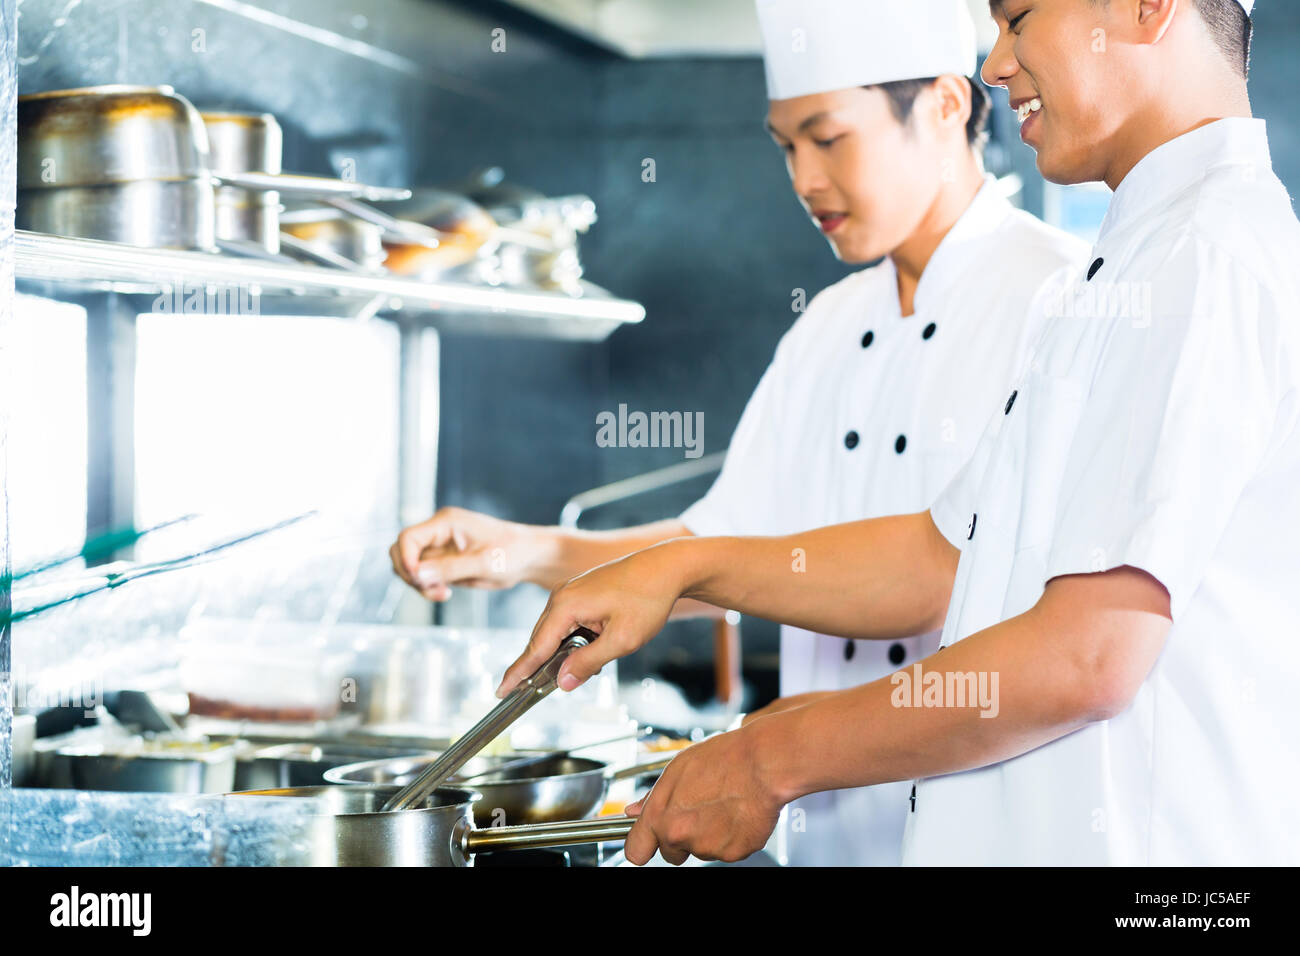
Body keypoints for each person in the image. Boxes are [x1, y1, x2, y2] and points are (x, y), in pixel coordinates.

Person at [499, 0, 1300, 866]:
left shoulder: (1202, 254)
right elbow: (940, 556)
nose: (997, 64)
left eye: (1019, 17)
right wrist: (678, 569)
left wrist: (770, 760)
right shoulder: (1137, 259)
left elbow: (1088, 653)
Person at [391, 0, 1084, 865]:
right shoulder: (829, 325)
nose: (803, 179)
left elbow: (934, 578)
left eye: (828, 138)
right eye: (785, 145)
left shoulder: (1057, 298)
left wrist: (685, 575)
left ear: (946, 105)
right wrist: (520, 552)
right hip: (829, 837)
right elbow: (718, 551)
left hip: (983, 834)